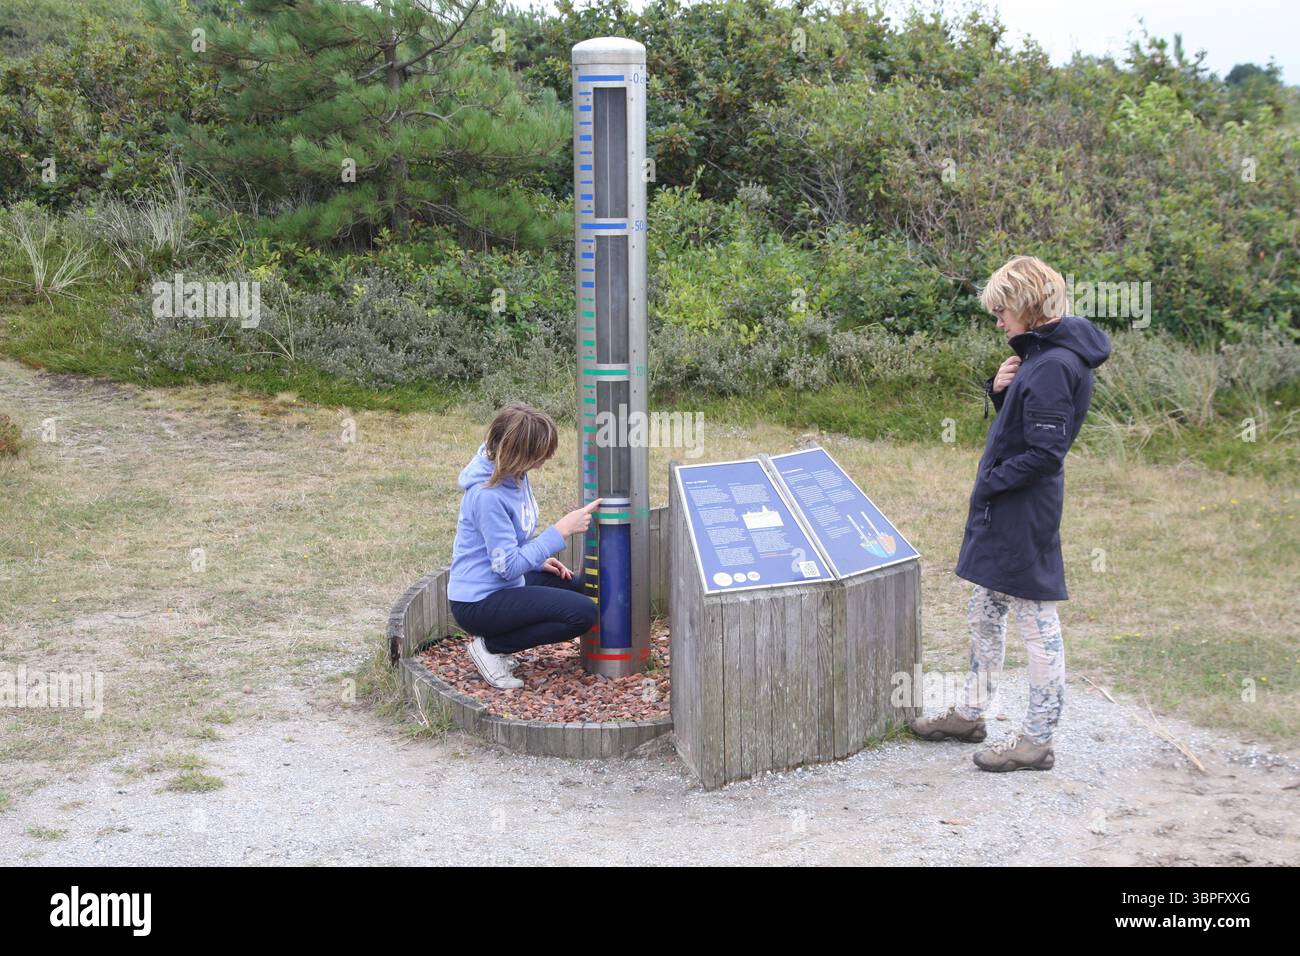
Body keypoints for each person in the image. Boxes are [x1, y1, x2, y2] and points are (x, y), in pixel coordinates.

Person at [910, 255, 1111, 771]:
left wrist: (990, 483)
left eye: (1002, 311)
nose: (998, 321)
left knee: (1036, 620)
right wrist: (1001, 395)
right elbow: (1027, 430)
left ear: (1027, 303)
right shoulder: (1040, 358)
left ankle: (1036, 740)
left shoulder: (1055, 365)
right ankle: (970, 715)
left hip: (1024, 511)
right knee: (984, 611)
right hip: (1008, 506)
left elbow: (1046, 453)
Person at [447, 403, 602, 689]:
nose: (545, 460)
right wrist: (561, 530)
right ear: (518, 453)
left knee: (580, 589)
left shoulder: (515, 474)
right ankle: (491, 647)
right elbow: (506, 567)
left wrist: (537, 561)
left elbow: (509, 543)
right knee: (582, 614)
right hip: (478, 601)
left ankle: (497, 642)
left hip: (503, 582)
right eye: (539, 454)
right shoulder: (487, 496)